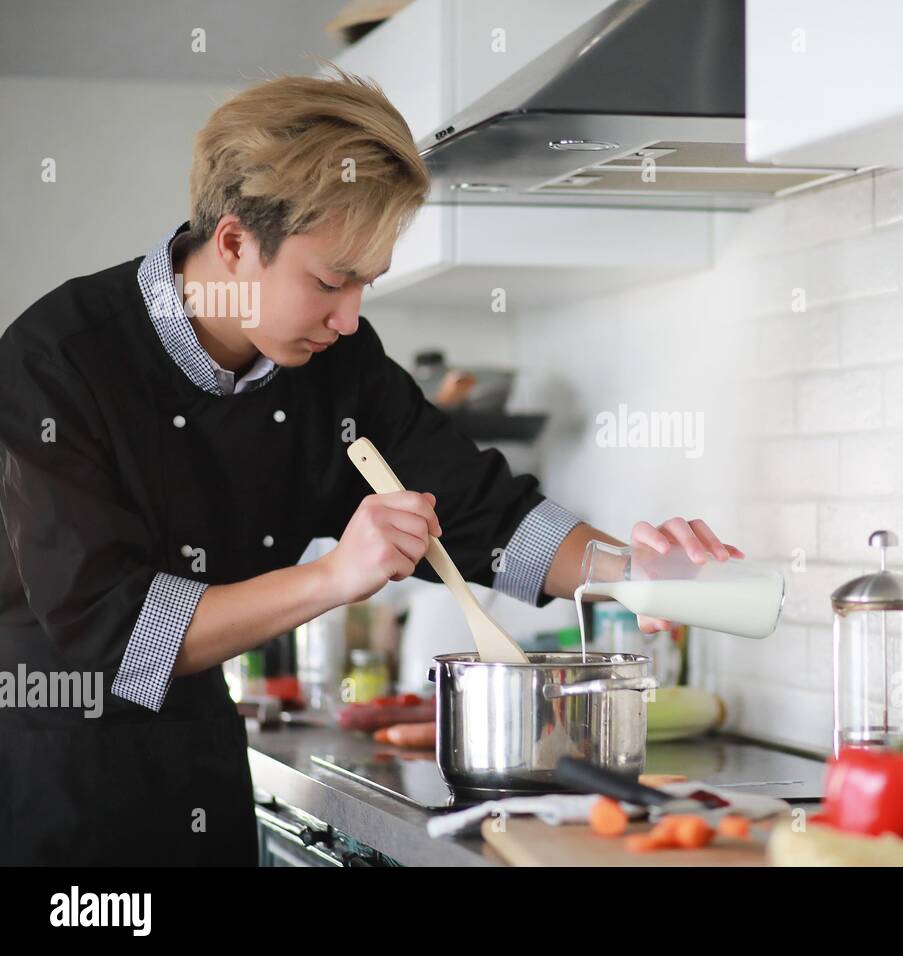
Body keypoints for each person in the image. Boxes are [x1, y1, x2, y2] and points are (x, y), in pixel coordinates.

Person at [0, 66, 740, 865]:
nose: (350, 318)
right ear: (235, 243)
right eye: (331, 281)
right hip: (50, 775)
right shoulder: (59, 364)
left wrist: (630, 573)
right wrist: (334, 577)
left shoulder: (336, 365)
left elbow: (480, 509)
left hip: (200, 759)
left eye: (367, 285)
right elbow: (115, 634)